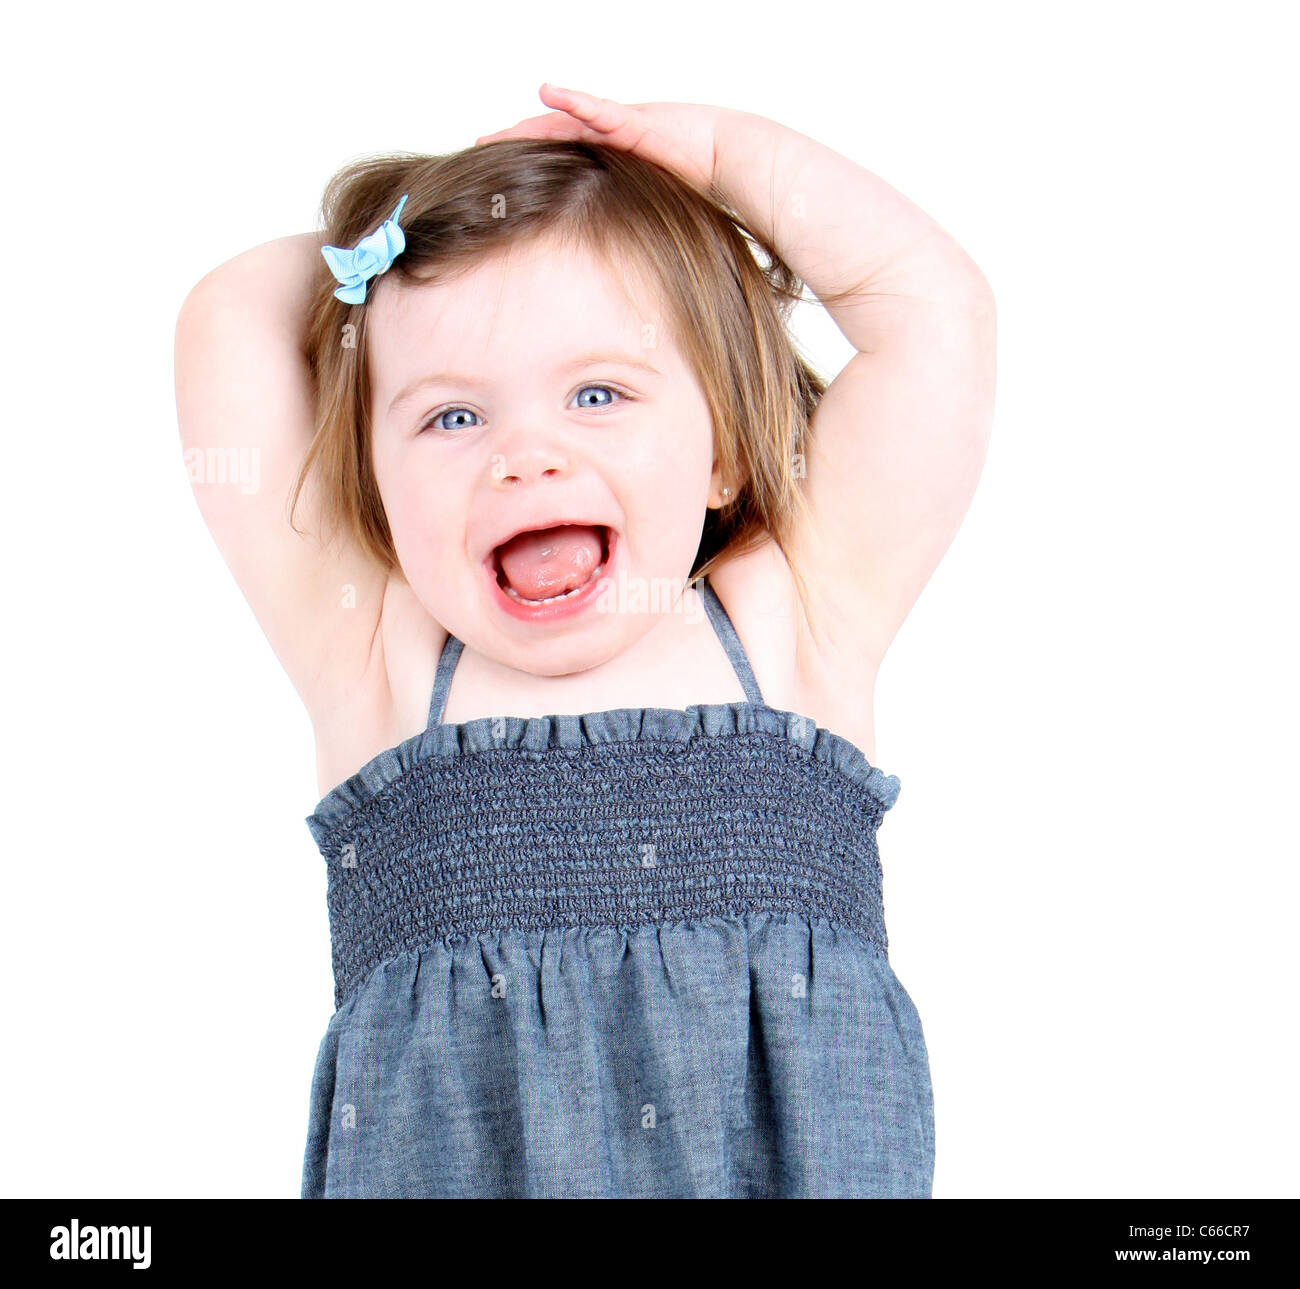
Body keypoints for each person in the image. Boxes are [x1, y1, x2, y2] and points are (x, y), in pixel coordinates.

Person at [174, 86, 997, 1198]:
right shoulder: (377, 653)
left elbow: (931, 311)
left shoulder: (797, 609)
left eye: (598, 392)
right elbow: (230, 316)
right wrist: (418, 222)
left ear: (724, 454)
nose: (525, 454)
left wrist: (712, 155)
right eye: (450, 416)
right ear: (373, 477)